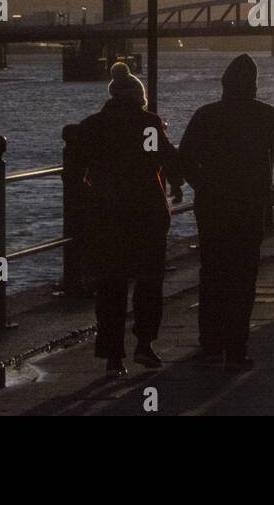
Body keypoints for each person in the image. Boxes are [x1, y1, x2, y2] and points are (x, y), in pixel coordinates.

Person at [179, 53, 274, 371]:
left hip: (213, 204)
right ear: (254, 85)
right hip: (250, 203)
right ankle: (236, 347)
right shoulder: (267, 115)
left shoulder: (206, 115)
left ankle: (211, 343)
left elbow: (185, 155)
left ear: (224, 84)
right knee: (244, 275)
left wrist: (200, 183)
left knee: (213, 271)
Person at [75, 62, 182, 379]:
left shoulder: (93, 127)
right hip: (147, 213)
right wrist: (176, 182)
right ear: (139, 98)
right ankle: (144, 344)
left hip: (107, 214)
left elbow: (76, 172)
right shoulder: (148, 125)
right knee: (149, 281)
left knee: (111, 284)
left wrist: (88, 199)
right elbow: (166, 159)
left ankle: (112, 357)